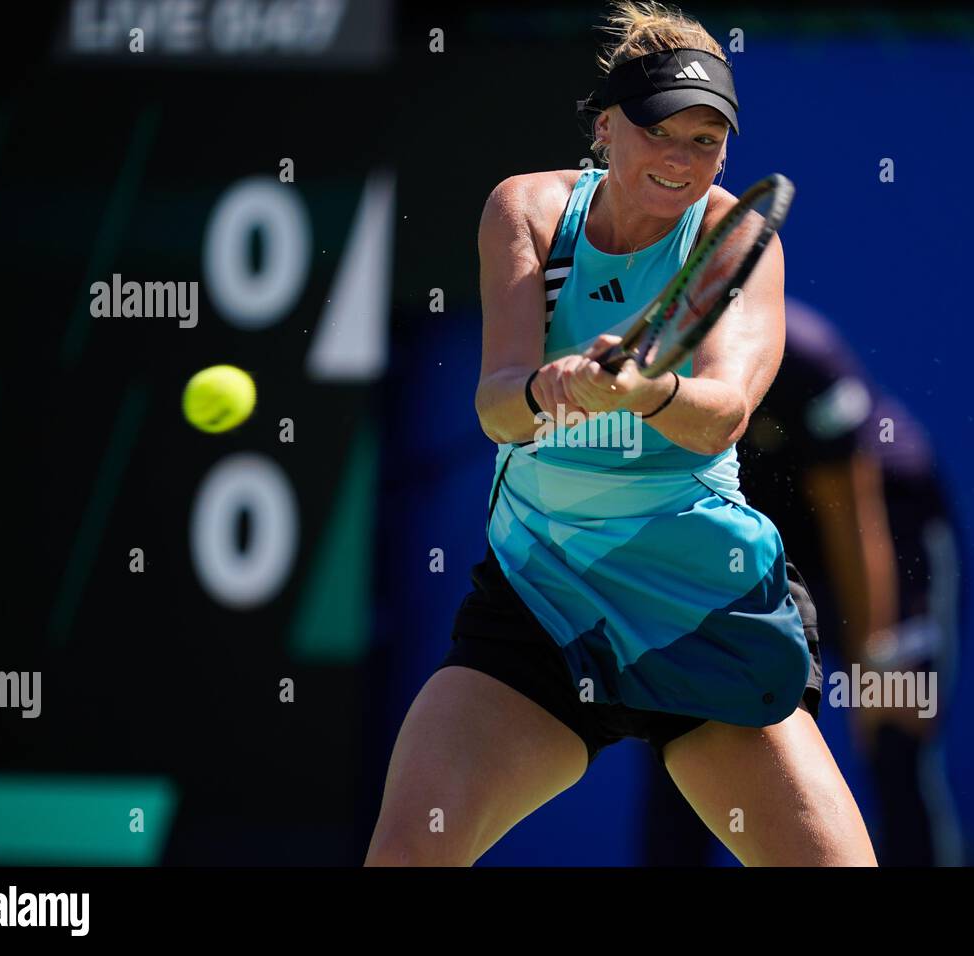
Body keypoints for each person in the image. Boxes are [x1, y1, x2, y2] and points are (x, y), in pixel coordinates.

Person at [365, 1, 875, 867]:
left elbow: (727, 408)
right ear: (604, 128)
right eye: (657, 131)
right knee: (410, 853)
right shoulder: (525, 209)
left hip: (701, 601)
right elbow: (497, 405)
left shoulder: (731, 231)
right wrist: (548, 389)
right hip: (540, 602)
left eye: (706, 140)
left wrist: (645, 389)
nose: (681, 159)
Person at [642, 298, 966, 866]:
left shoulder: (806, 355)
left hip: (885, 531)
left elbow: (850, 513)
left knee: (893, 727)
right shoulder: (638, 364)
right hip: (757, 542)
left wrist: (875, 655)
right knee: (684, 733)